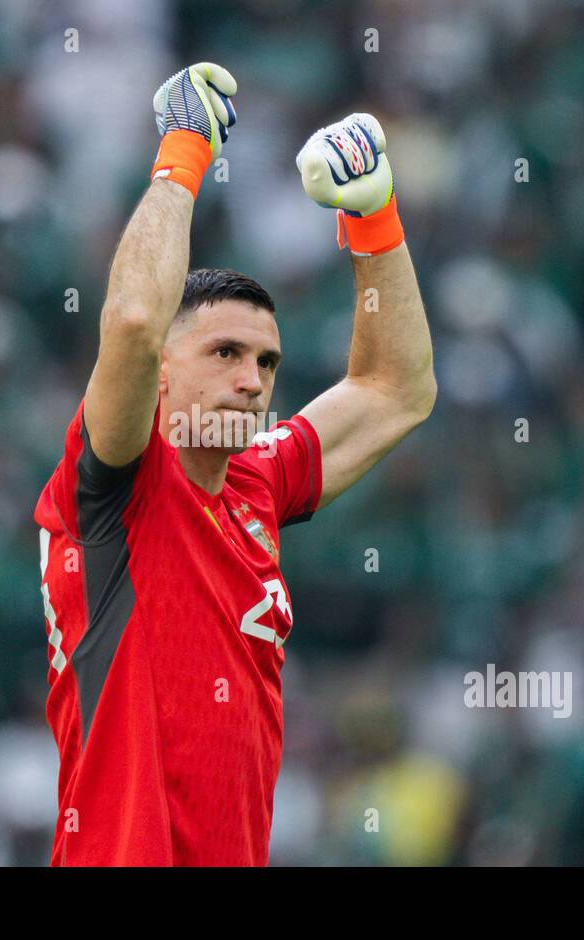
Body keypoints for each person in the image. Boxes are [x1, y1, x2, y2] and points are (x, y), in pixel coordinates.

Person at [34, 62, 436, 865]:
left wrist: (374, 219)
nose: (252, 380)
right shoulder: (116, 485)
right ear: (162, 373)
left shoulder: (258, 479)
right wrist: (185, 144)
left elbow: (397, 391)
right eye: (224, 352)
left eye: (267, 361)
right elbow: (138, 315)